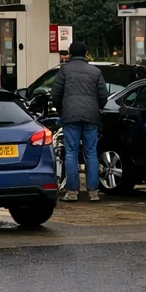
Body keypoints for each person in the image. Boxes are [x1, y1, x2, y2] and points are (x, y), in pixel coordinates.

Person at [49, 40, 109, 202]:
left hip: (70, 117)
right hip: (91, 117)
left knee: (71, 153)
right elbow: (103, 95)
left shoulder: (64, 70)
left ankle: (72, 192)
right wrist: (98, 108)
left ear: (70, 54)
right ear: (85, 54)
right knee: (91, 153)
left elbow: (55, 93)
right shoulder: (95, 72)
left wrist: (62, 110)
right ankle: (93, 192)